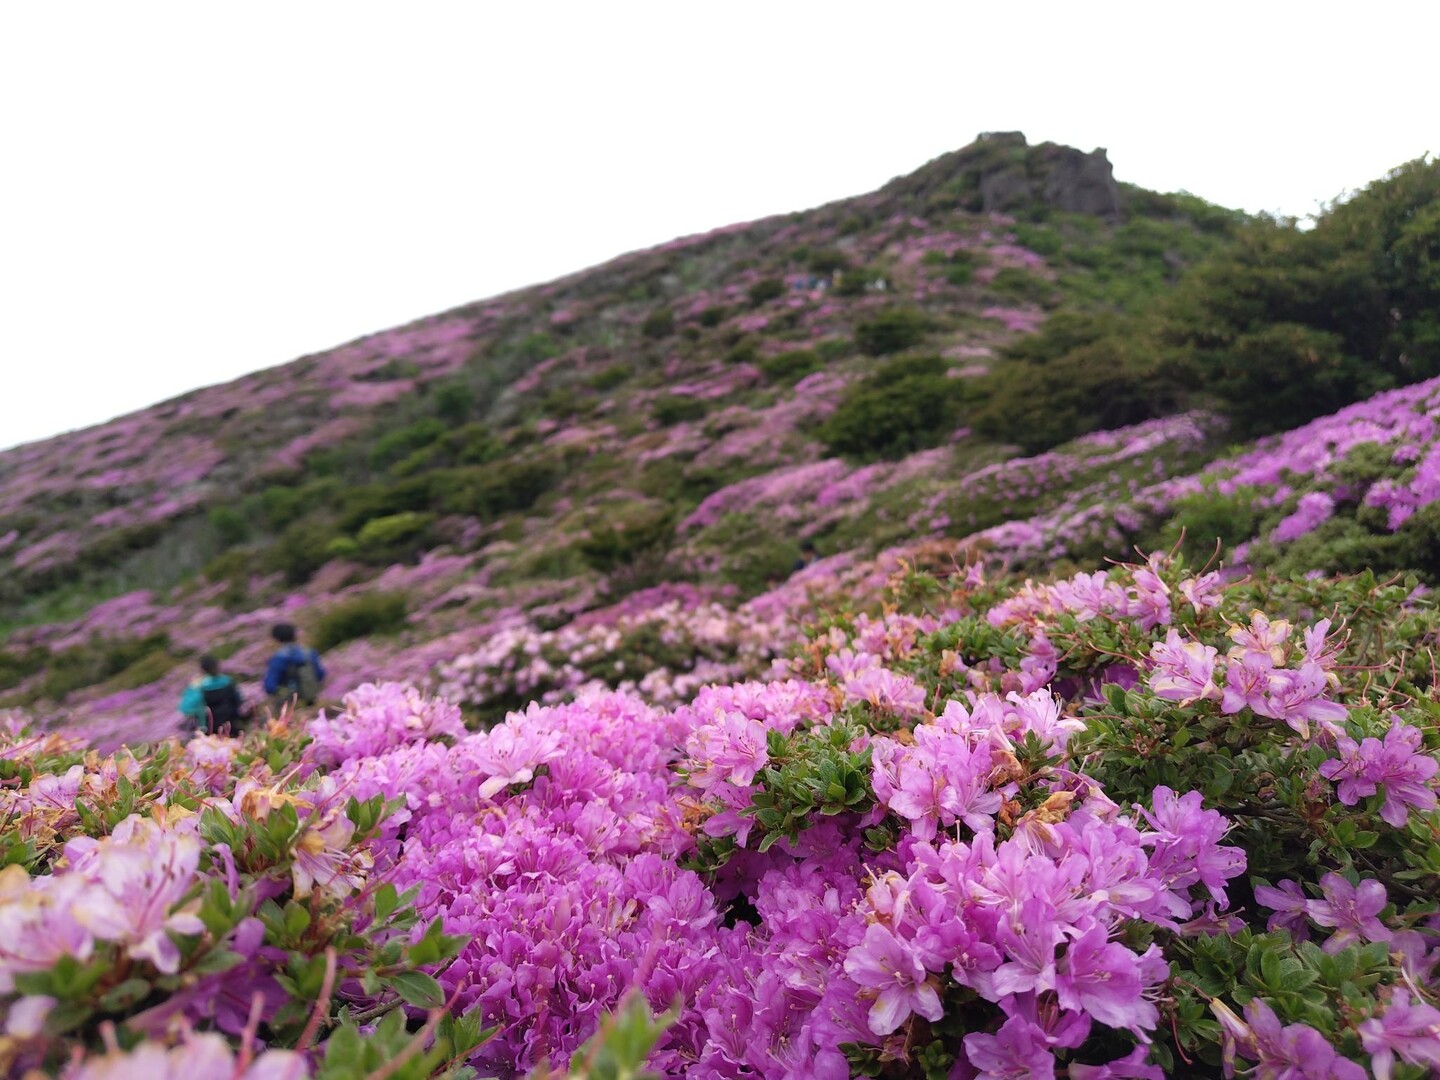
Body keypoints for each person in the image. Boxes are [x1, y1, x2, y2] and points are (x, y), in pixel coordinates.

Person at [178, 655, 249, 737]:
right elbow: (238, 700)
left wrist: (192, 687)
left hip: (211, 731)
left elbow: (186, 708)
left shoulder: (200, 686)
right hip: (232, 726)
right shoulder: (227, 681)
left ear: (203, 670)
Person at [263, 623, 326, 710]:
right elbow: (320, 674)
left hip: (290, 705)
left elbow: (270, 686)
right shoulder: (309, 652)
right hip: (312, 700)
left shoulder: (279, 657)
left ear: (277, 638)